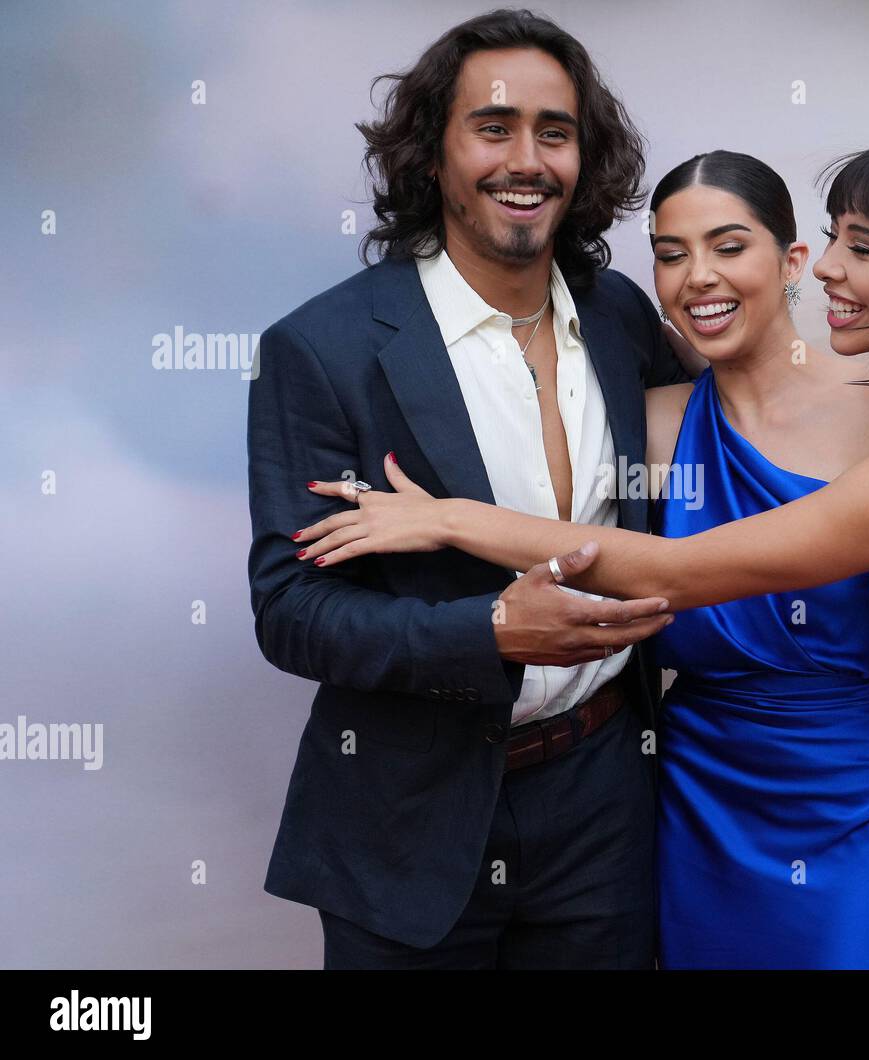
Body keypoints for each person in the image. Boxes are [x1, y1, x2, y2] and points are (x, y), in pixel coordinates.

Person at [293, 135, 869, 969]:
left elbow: (676, 573)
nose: (700, 276)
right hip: (732, 803)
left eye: (859, 248)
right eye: (670, 254)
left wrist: (451, 518)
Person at [246, 9, 694, 970]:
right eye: (493, 128)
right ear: (434, 151)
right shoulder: (323, 351)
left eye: (554, 132)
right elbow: (291, 612)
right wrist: (487, 633)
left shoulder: (621, 317)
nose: (526, 160)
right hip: (409, 821)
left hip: (607, 803)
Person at [641, 150, 869, 967]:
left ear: (794, 260)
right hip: (697, 804)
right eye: (671, 255)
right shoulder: (651, 426)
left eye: (729, 246)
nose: (699, 276)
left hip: (858, 799)